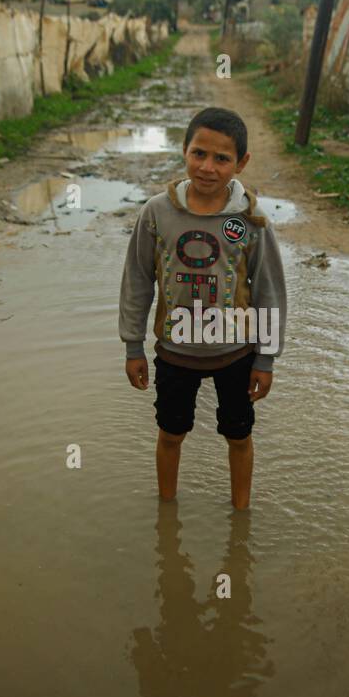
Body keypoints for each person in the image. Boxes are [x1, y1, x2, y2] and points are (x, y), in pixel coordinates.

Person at [119, 106, 287, 510]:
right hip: (175, 353)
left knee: (239, 437)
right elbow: (138, 279)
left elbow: (267, 289)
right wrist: (132, 347)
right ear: (184, 151)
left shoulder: (250, 219)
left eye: (222, 158)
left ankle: (241, 514)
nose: (208, 167)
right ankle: (167, 512)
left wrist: (266, 358)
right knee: (171, 434)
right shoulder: (157, 212)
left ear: (241, 163)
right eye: (199, 154)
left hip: (236, 354)